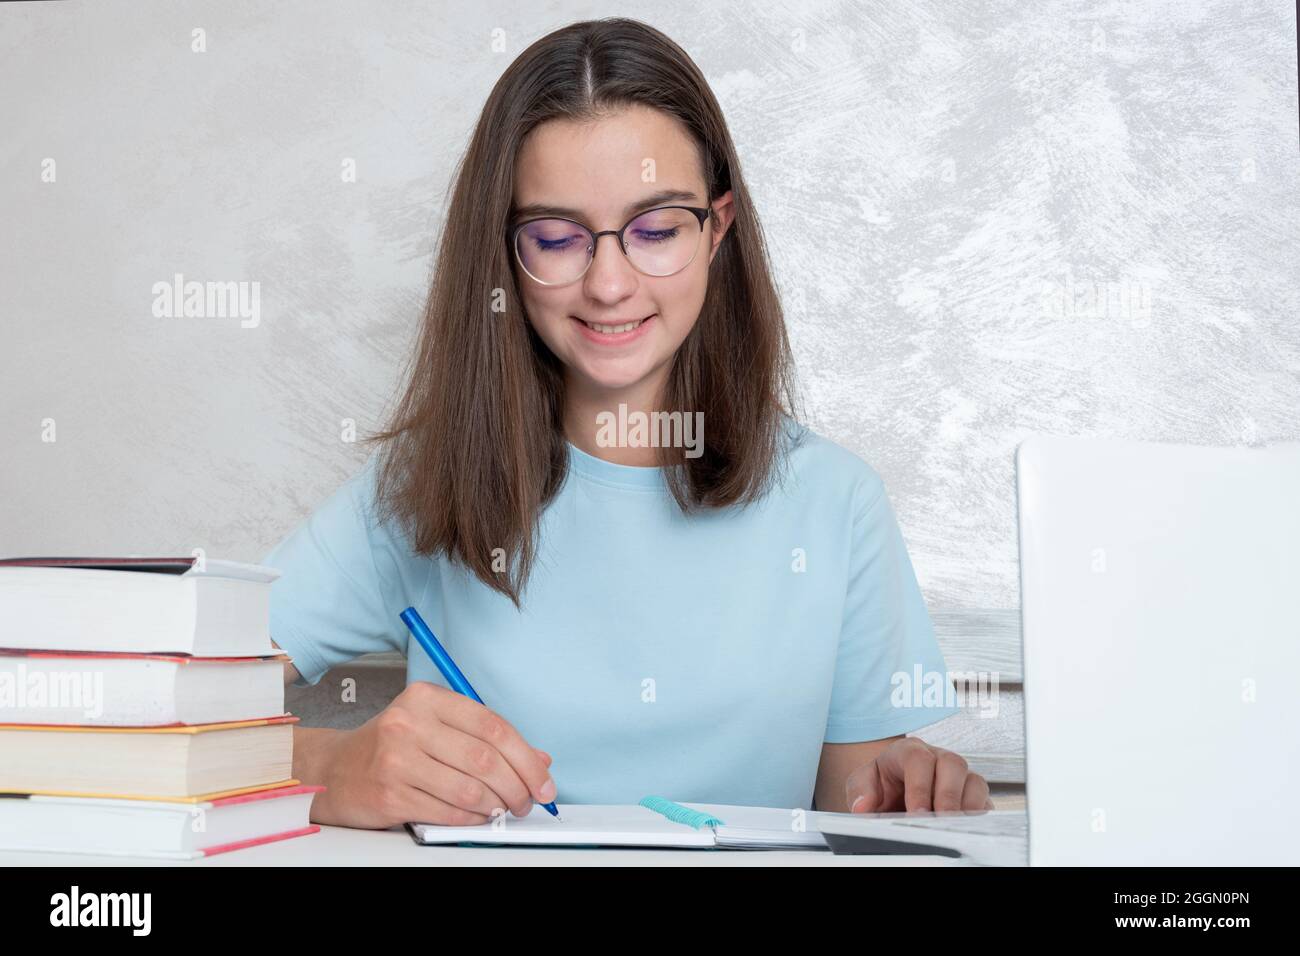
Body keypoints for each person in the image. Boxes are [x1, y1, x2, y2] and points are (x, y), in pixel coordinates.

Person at [262, 17, 990, 830]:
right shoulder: (422, 489)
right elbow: (143, 712)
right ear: (502, 255)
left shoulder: (836, 501)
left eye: (656, 230)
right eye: (554, 236)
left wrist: (908, 787)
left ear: (718, 229)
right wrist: (328, 765)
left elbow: (856, 798)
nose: (609, 284)